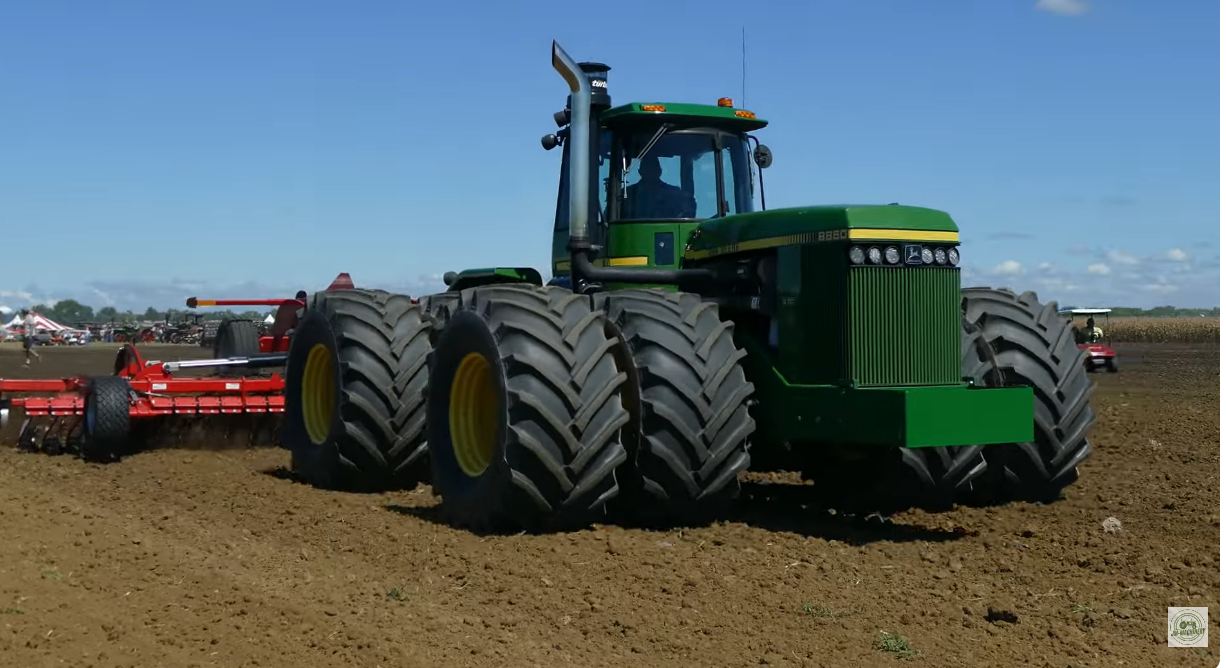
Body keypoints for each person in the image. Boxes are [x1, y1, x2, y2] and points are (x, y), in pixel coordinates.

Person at [624, 155, 693, 219]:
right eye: (647, 168)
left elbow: (687, 215)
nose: (650, 171)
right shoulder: (626, 195)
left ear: (659, 171)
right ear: (640, 171)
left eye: (653, 168)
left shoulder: (676, 194)